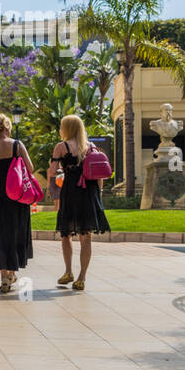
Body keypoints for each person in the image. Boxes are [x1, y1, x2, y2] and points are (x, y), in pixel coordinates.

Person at [48, 114, 110, 291]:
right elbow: (98, 176)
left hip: (70, 192)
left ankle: (68, 271)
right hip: (89, 193)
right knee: (86, 236)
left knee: (66, 233)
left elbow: (52, 172)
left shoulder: (61, 147)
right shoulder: (90, 147)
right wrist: (98, 194)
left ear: (66, 128)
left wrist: (57, 166)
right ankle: (82, 277)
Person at [0, 112, 34, 293]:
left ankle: (4, 277)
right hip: (15, 193)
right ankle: (11, 273)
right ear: (7, 126)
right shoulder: (17, 145)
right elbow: (30, 168)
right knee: (14, 230)